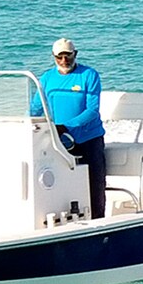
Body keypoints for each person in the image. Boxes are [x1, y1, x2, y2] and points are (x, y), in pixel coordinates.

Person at [36, 37, 107, 219]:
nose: (64, 61)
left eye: (68, 56)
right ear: (53, 57)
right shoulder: (46, 78)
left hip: (88, 138)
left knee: (94, 183)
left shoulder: (89, 75)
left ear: (75, 54)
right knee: (60, 181)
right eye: (59, 57)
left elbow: (92, 110)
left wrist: (66, 127)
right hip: (59, 140)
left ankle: (98, 219)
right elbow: (36, 107)